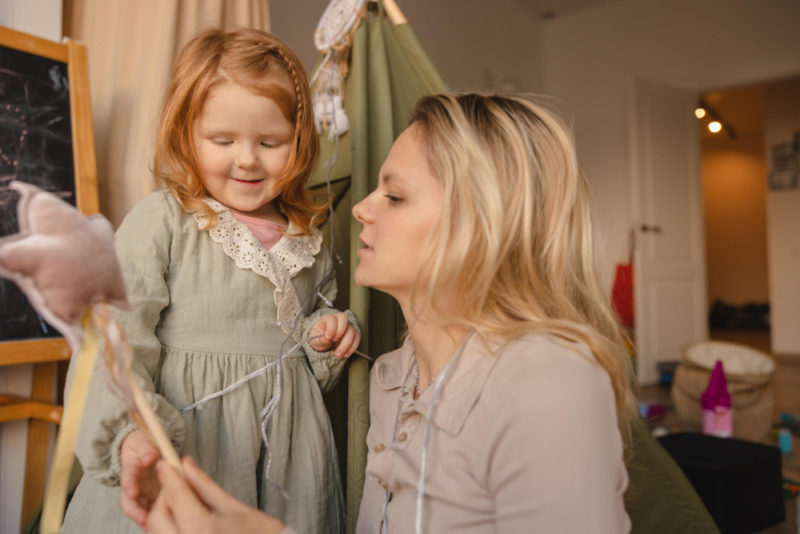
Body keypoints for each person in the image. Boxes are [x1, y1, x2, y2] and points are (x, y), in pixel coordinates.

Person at [145, 92, 636, 534]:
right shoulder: (392, 377)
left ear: (481, 227)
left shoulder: (550, 381)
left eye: (395, 196)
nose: (361, 208)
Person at [62, 28, 359, 534]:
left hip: (287, 463)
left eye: (270, 142)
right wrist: (128, 433)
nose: (247, 158)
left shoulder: (311, 240)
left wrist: (326, 335)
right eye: (223, 141)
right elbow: (112, 336)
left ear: (301, 141)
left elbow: (308, 340)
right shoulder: (165, 220)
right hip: (184, 450)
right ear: (187, 134)